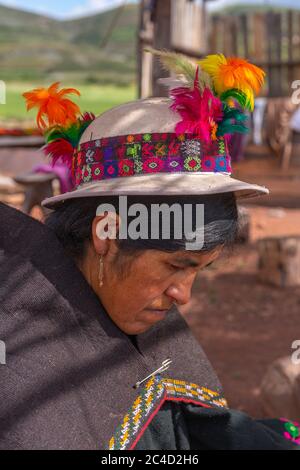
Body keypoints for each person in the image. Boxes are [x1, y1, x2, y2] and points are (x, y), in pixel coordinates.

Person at [0, 53, 299, 450]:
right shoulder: (21, 361)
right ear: (106, 233)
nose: (184, 296)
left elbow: (194, 425)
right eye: (176, 265)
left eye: (200, 270)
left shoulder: (128, 301)